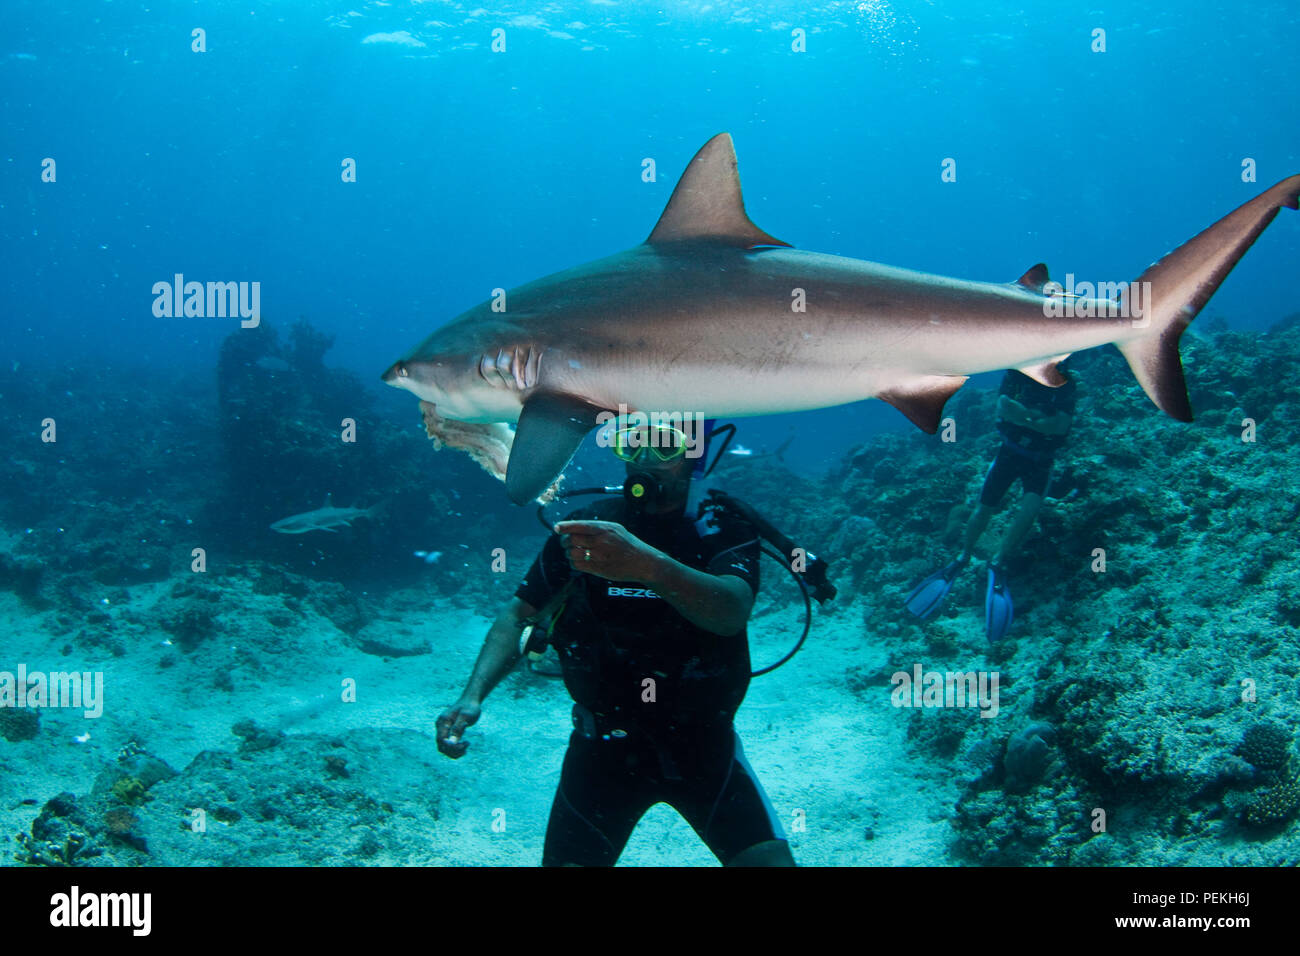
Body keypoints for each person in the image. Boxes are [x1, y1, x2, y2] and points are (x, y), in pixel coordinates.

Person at [436, 422, 795, 866]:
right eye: (632, 443)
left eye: (665, 445)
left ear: (694, 457)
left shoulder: (720, 525)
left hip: (705, 749)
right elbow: (517, 615)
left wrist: (646, 565)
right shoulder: (588, 530)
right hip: (602, 749)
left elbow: (730, 613)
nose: (644, 458)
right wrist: (472, 697)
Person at [904, 365, 1078, 640]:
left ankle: (998, 560)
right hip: (1010, 454)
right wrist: (1038, 420)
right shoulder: (1017, 374)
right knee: (984, 507)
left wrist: (1026, 418)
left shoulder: (1067, 384)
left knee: (1029, 510)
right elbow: (1006, 409)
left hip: (1040, 459)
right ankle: (963, 556)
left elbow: (1059, 425)